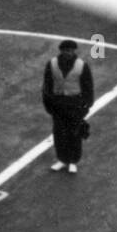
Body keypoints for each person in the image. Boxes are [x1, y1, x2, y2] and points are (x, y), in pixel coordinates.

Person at [42, 39, 93, 174]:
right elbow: (47, 85)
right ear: (61, 51)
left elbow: (88, 88)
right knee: (59, 133)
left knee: (74, 133)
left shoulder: (82, 66)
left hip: (75, 104)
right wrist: (49, 105)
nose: (68, 53)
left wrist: (85, 107)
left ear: (74, 51)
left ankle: (73, 161)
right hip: (58, 104)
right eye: (65, 50)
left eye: (70, 50)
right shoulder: (52, 64)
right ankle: (62, 159)